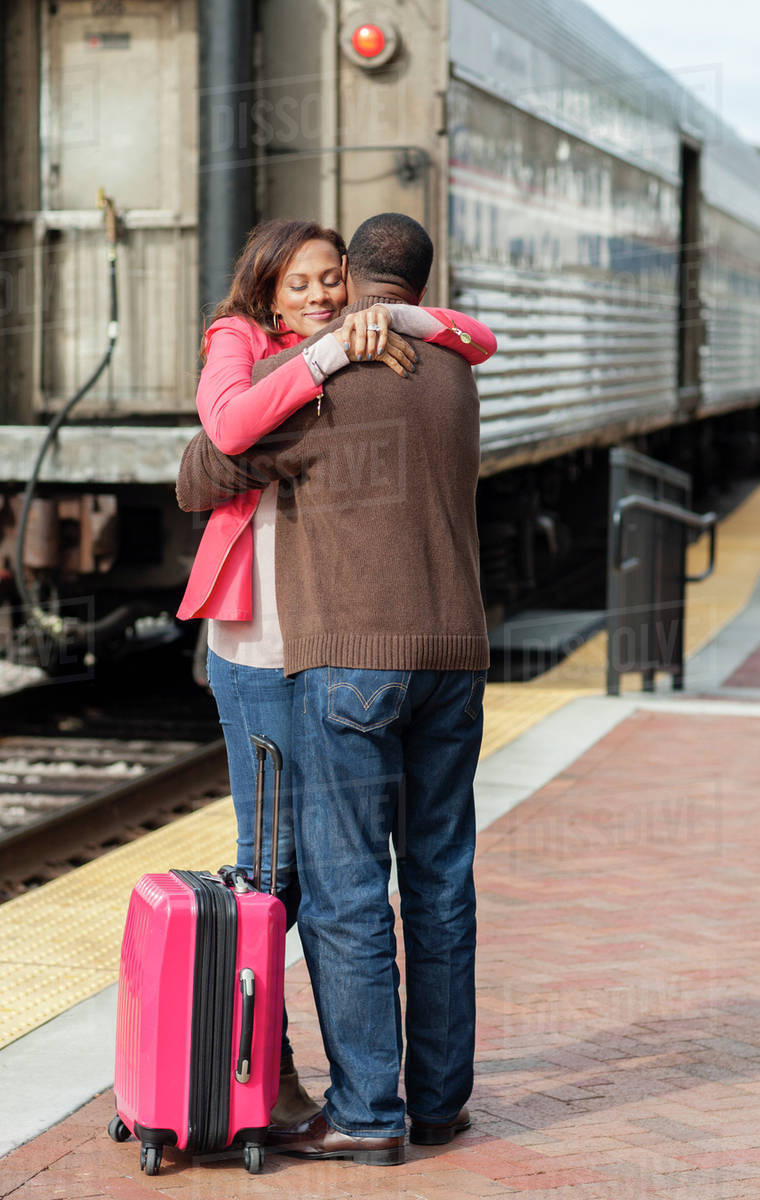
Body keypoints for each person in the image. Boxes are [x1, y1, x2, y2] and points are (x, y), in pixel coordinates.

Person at [178, 212, 493, 1165]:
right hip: (457, 656)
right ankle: (439, 1103)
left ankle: (367, 1111)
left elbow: (204, 469)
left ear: (352, 278)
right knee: (440, 881)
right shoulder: (453, 372)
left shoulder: (331, 371)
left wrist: (305, 368)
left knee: (347, 889)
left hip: (355, 658)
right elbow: (466, 334)